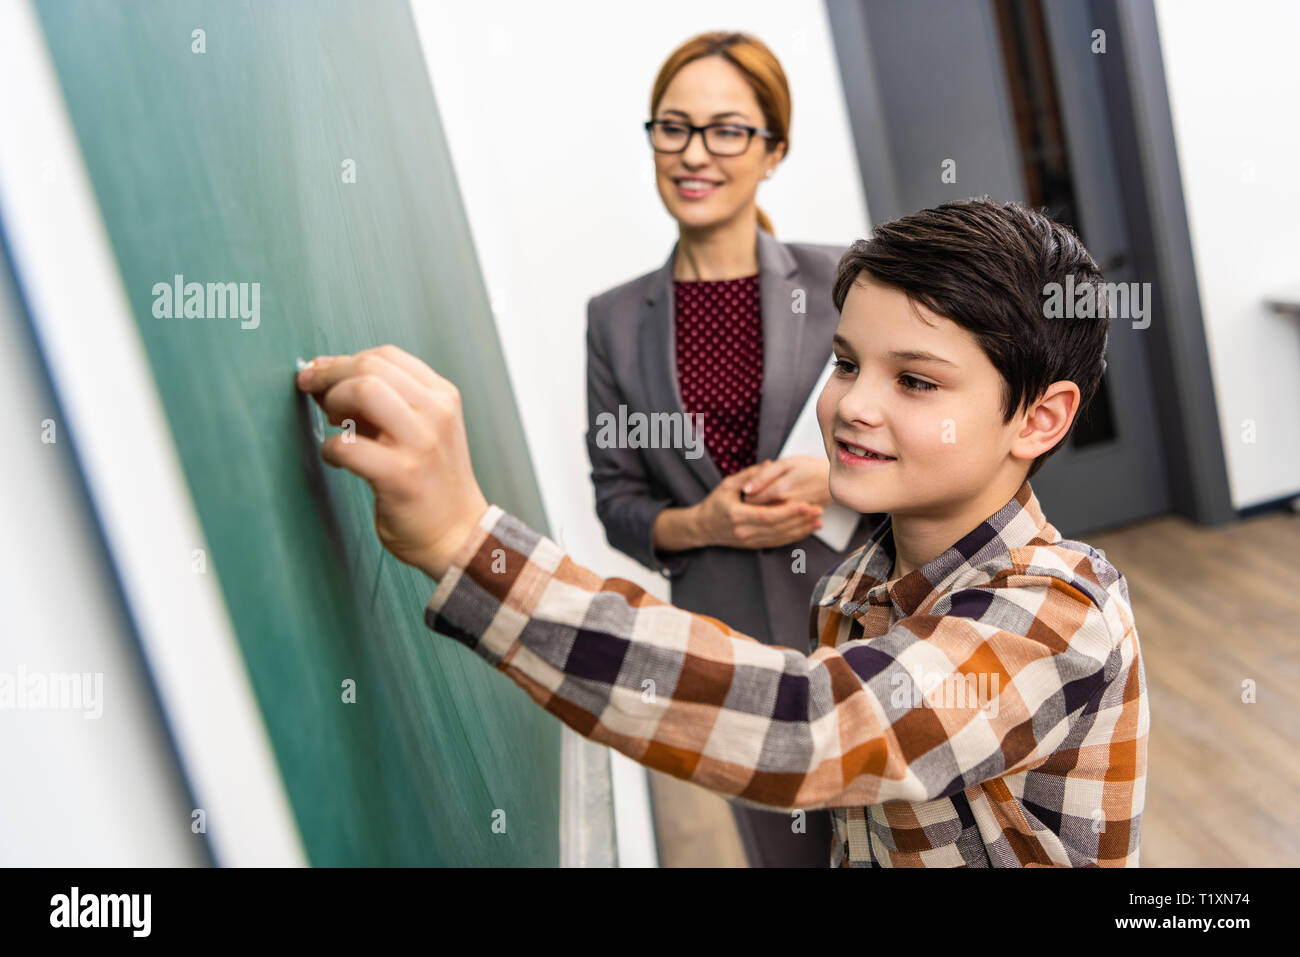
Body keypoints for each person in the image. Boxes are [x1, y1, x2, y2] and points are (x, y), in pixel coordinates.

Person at [295, 198, 1149, 867]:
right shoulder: (858, 584)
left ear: (1039, 420)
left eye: (916, 381)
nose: (853, 403)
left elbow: (814, 729)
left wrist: (464, 542)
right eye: (847, 362)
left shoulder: (1060, 612)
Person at [584, 30, 881, 867]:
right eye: (672, 127)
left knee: (912, 838)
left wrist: (841, 477)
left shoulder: (848, 279)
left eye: (726, 130)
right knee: (785, 851)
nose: (693, 153)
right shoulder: (613, 319)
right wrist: (704, 522)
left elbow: (932, 437)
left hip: (866, 614)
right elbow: (618, 500)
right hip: (729, 640)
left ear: (774, 150)